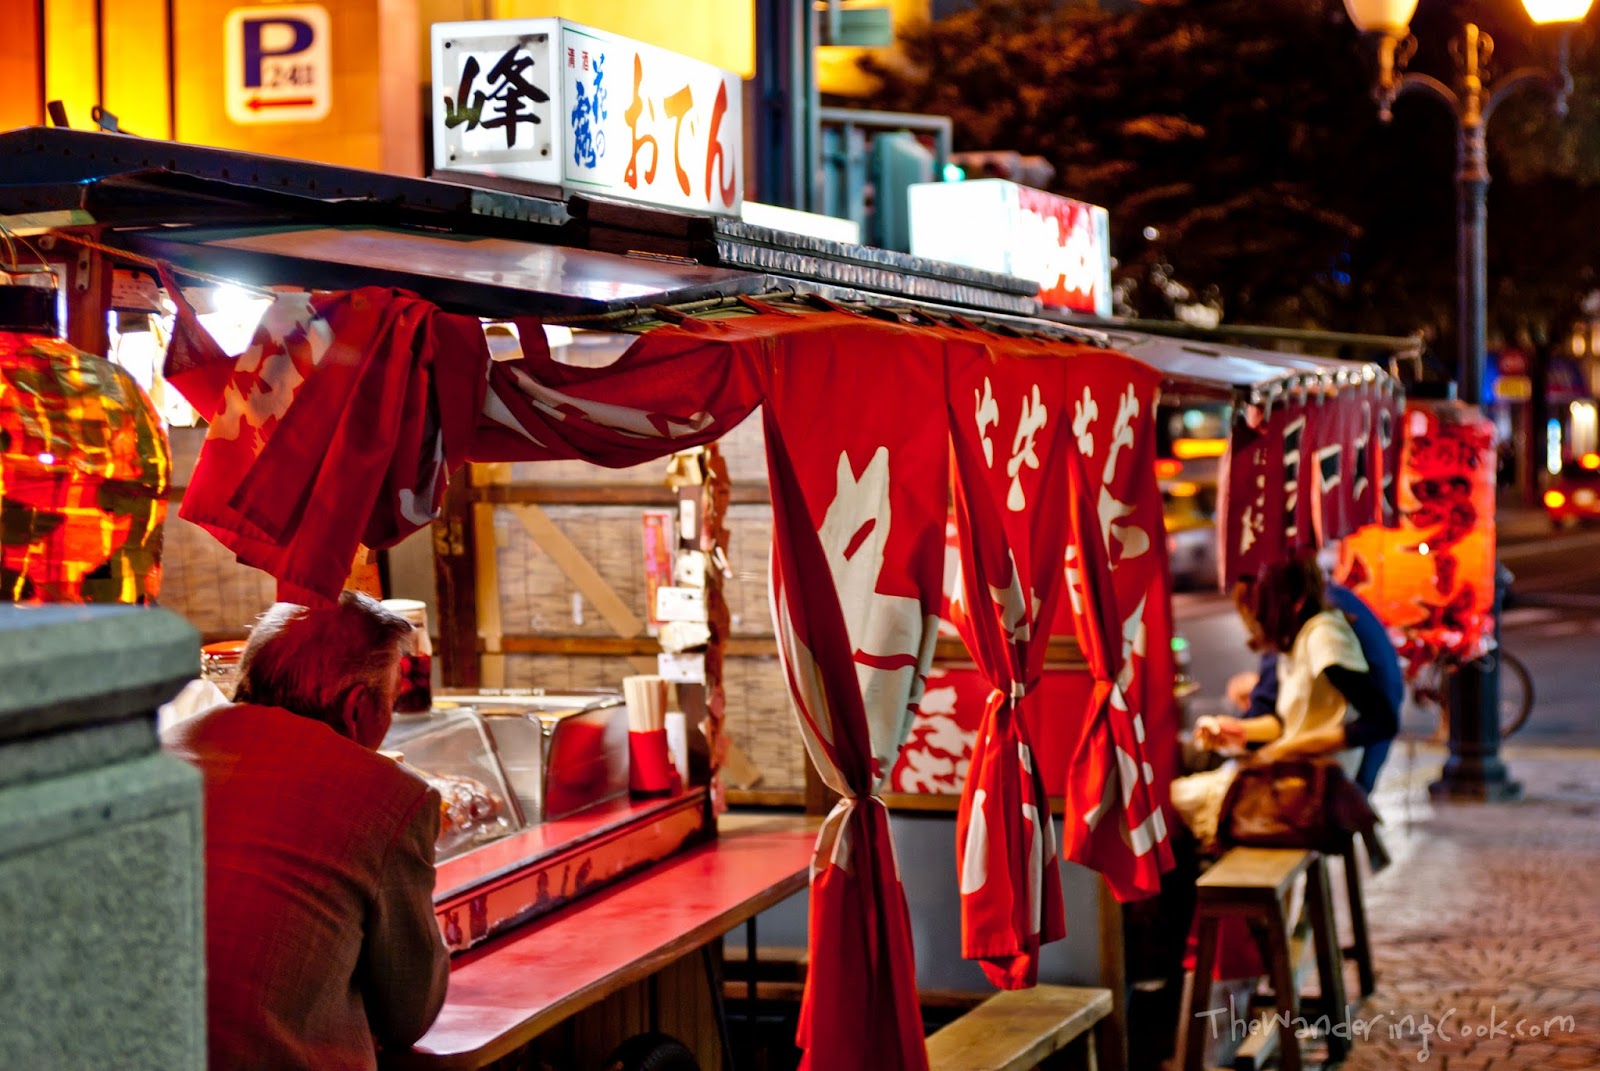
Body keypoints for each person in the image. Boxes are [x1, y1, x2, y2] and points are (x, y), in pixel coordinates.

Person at [163, 591, 449, 1071]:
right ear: (359, 707)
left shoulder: (161, 751)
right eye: (392, 700)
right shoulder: (388, 795)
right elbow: (407, 1012)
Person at [1173, 555, 1398, 847]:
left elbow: (1382, 722)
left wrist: (1286, 750)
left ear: (1297, 600)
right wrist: (1236, 731)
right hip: (1300, 777)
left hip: (1318, 786)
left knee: (1171, 801)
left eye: (1260, 608)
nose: (1255, 621)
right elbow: (1286, 723)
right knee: (1179, 797)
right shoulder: (1300, 635)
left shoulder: (1323, 637)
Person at [1227, 580, 1404, 792]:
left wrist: (1287, 749)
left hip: (1339, 769)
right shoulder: (1314, 613)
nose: (1254, 628)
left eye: (1255, 617)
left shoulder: (1320, 633)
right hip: (1343, 758)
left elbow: (1381, 721)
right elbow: (1277, 711)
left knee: (1353, 802)